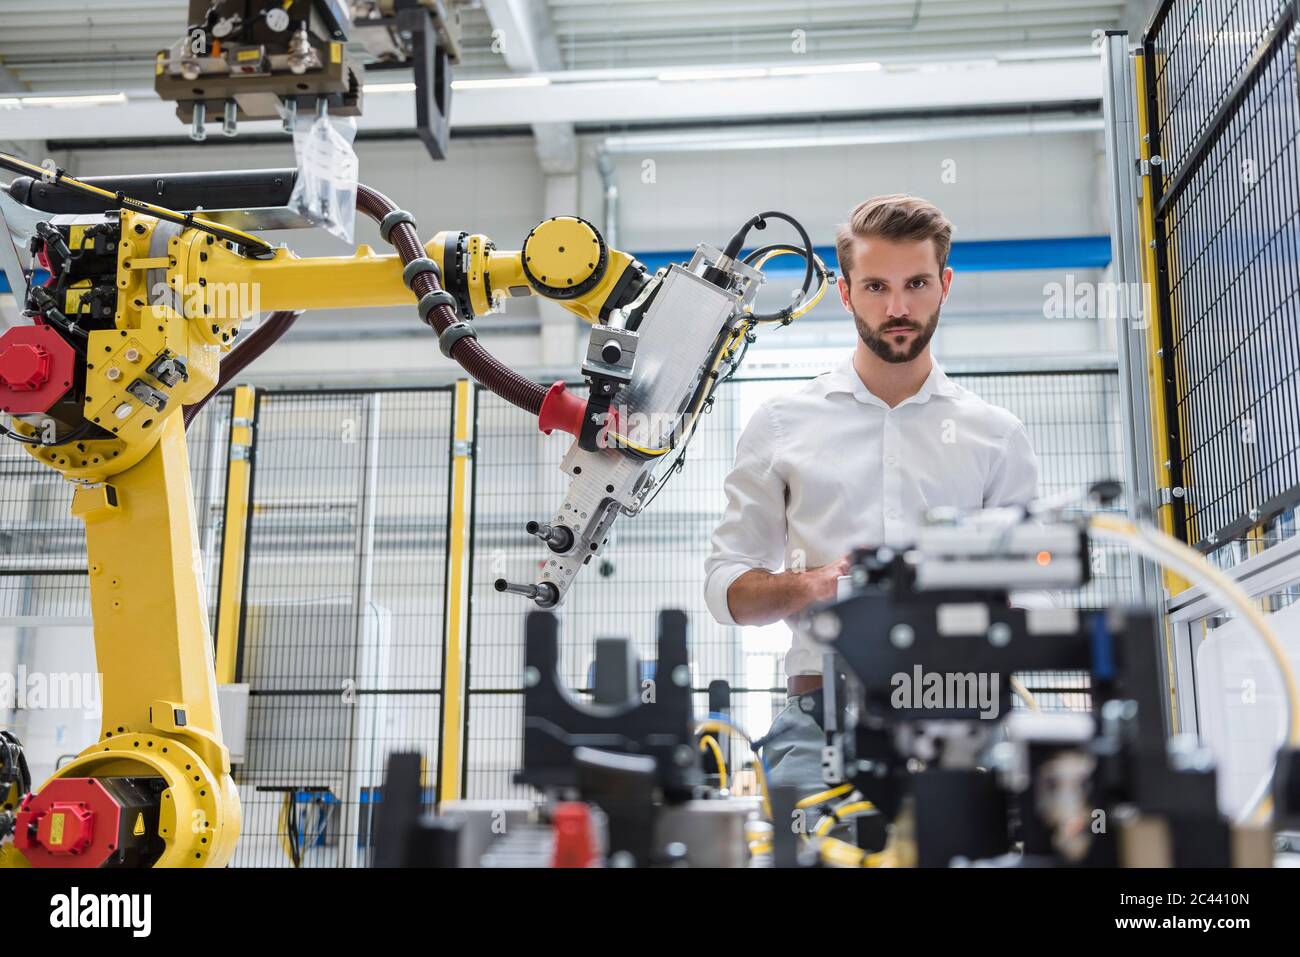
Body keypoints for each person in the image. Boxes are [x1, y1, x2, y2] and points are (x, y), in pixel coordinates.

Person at [704, 194, 1041, 797]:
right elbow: (725, 589)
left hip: (965, 722)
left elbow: (1027, 598)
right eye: (876, 287)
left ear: (945, 284)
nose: (898, 307)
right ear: (845, 292)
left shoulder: (996, 436)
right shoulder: (782, 424)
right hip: (820, 726)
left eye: (916, 283)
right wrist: (813, 585)